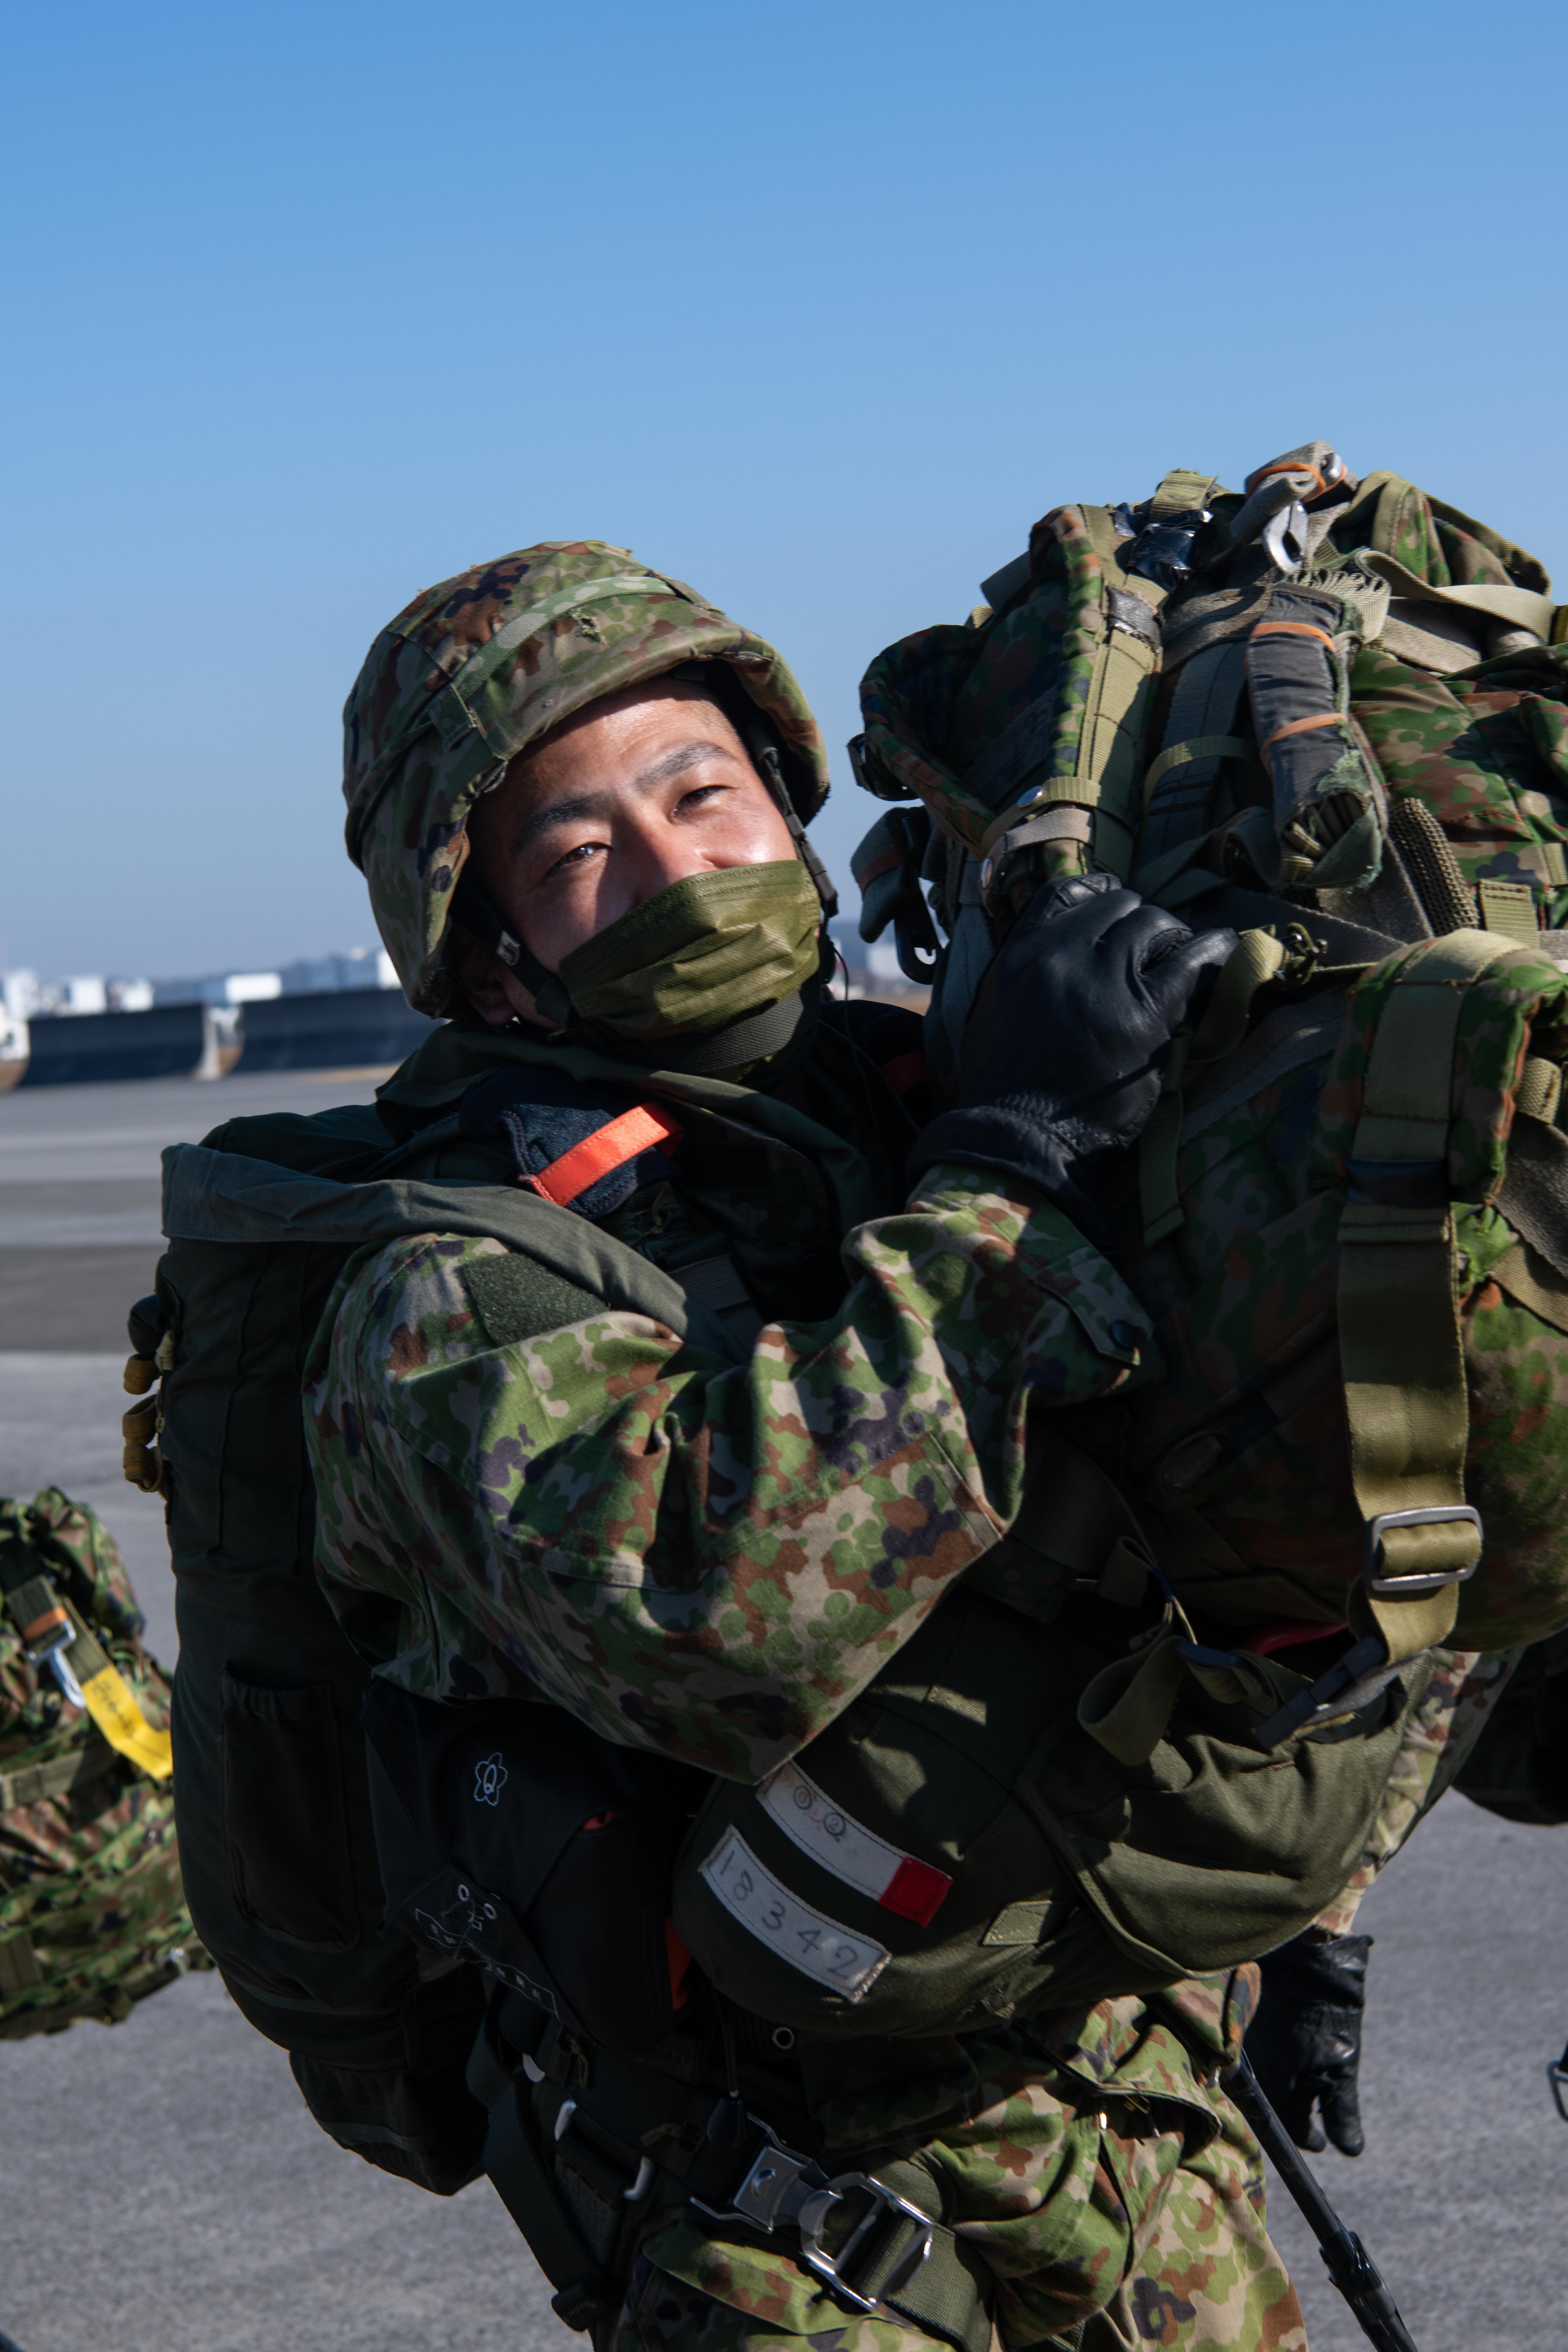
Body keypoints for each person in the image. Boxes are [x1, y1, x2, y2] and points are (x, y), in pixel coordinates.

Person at [290, 541, 1309, 2351]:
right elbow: (705, 1614)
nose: (679, 864)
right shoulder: (446, 1282)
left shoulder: (918, 1094)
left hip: (1126, 2131)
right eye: (579, 851)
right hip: (790, 2234)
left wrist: (1312, 1910)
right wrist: (1009, 1187)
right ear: (492, 960)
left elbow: (1213, 1498)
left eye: (705, 793)